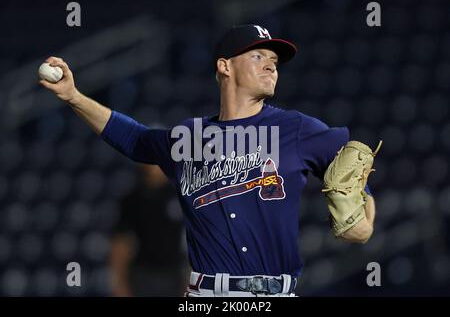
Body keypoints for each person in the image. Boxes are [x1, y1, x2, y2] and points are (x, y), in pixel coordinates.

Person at [40, 24, 377, 297]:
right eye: (258, 55)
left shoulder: (297, 129)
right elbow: (134, 139)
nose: (271, 64)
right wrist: (73, 97)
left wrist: (365, 211)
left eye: (274, 59)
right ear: (224, 65)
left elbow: (354, 175)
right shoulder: (189, 137)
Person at [109, 164, 188, 297]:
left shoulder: (181, 196)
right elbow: (120, 244)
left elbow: (195, 242)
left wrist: (191, 282)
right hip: (142, 275)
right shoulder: (133, 199)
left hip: (175, 275)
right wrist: (120, 284)